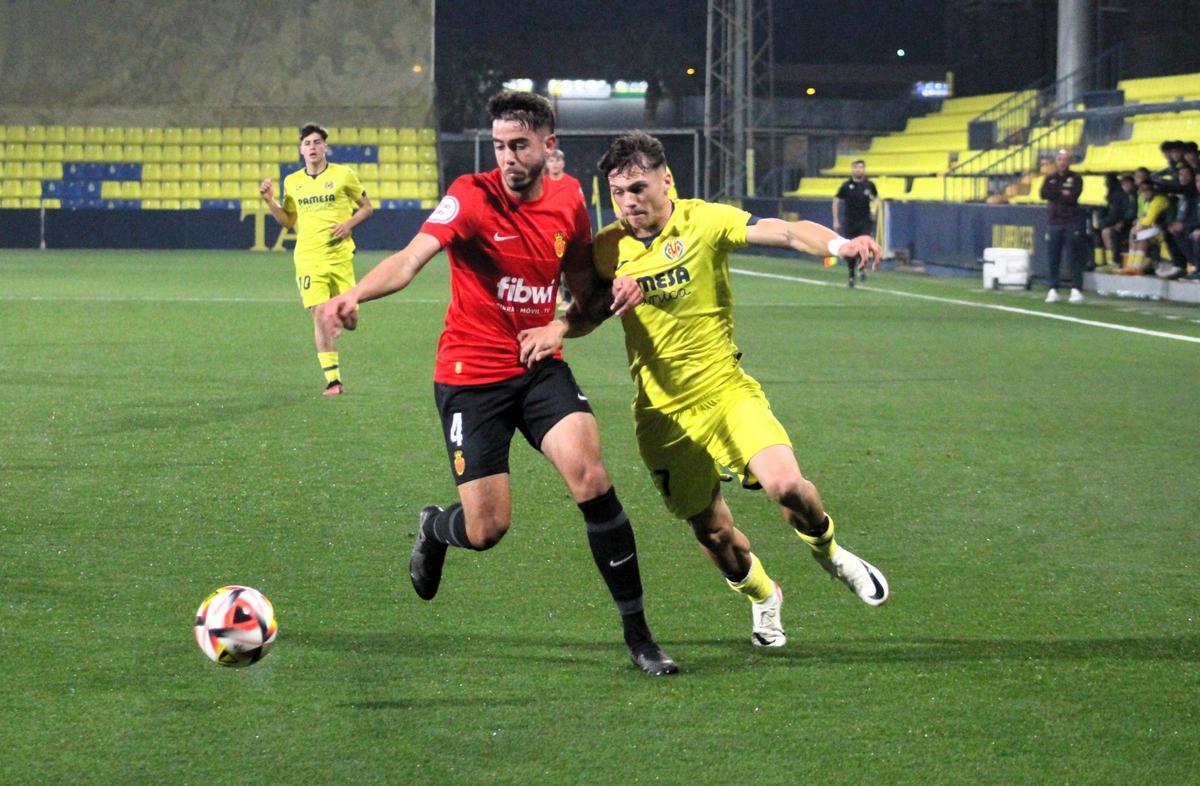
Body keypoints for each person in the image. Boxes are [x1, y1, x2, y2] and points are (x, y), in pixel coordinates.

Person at [318, 92, 678, 676]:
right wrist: (354, 294)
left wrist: (606, 297)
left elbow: (584, 295)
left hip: (538, 368)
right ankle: (434, 527)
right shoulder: (470, 196)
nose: (507, 157)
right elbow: (410, 259)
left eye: (519, 145)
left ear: (548, 146)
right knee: (486, 529)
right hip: (470, 378)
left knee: (591, 477)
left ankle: (640, 638)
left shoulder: (569, 200)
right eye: (499, 145)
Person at [518, 131, 890, 650]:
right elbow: (590, 311)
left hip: (725, 392)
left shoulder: (705, 221)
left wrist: (838, 245)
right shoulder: (607, 248)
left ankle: (831, 554)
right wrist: (561, 327)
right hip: (661, 415)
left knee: (787, 486)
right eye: (618, 192)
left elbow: (784, 231)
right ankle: (764, 595)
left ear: (666, 180)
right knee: (713, 532)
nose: (628, 202)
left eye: (638, 189)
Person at [259, 124, 373, 396]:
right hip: (308, 258)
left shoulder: (343, 175)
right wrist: (270, 201)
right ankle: (333, 381)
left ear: (325, 147)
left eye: (317, 142)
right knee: (320, 314)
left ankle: (339, 313)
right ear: (301, 149)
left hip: (339, 257)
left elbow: (367, 208)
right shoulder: (292, 182)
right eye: (307, 143)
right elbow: (288, 221)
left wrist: (348, 224)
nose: (312, 147)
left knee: (351, 321)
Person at [1040, 148, 1085, 303]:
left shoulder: (1076, 178)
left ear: (1069, 161)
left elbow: (1072, 197)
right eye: (1059, 159)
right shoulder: (1050, 178)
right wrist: (1061, 192)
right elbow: (1044, 194)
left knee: (1074, 256)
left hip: (1071, 221)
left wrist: (1056, 193)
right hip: (1054, 222)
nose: (1062, 162)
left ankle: (1076, 288)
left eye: (1065, 159)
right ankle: (1053, 288)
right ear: (1056, 161)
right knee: (1053, 256)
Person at [833, 159, 878, 287]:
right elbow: (836, 200)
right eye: (856, 167)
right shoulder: (846, 186)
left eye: (861, 167)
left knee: (864, 245)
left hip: (865, 221)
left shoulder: (869, 185)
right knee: (852, 249)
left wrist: (874, 209)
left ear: (864, 169)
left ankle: (862, 268)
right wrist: (836, 220)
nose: (858, 170)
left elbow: (876, 198)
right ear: (852, 169)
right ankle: (851, 275)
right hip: (850, 222)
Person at [1094, 174, 1136, 270]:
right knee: (1099, 233)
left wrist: (1122, 222)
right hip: (1118, 223)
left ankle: (1114, 262)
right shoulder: (1114, 195)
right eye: (1124, 183)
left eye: (1128, 183)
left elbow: (1126, 213)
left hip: (1127, 225)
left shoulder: (1131, 196)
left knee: (1108, 232)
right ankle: (1105, 262)